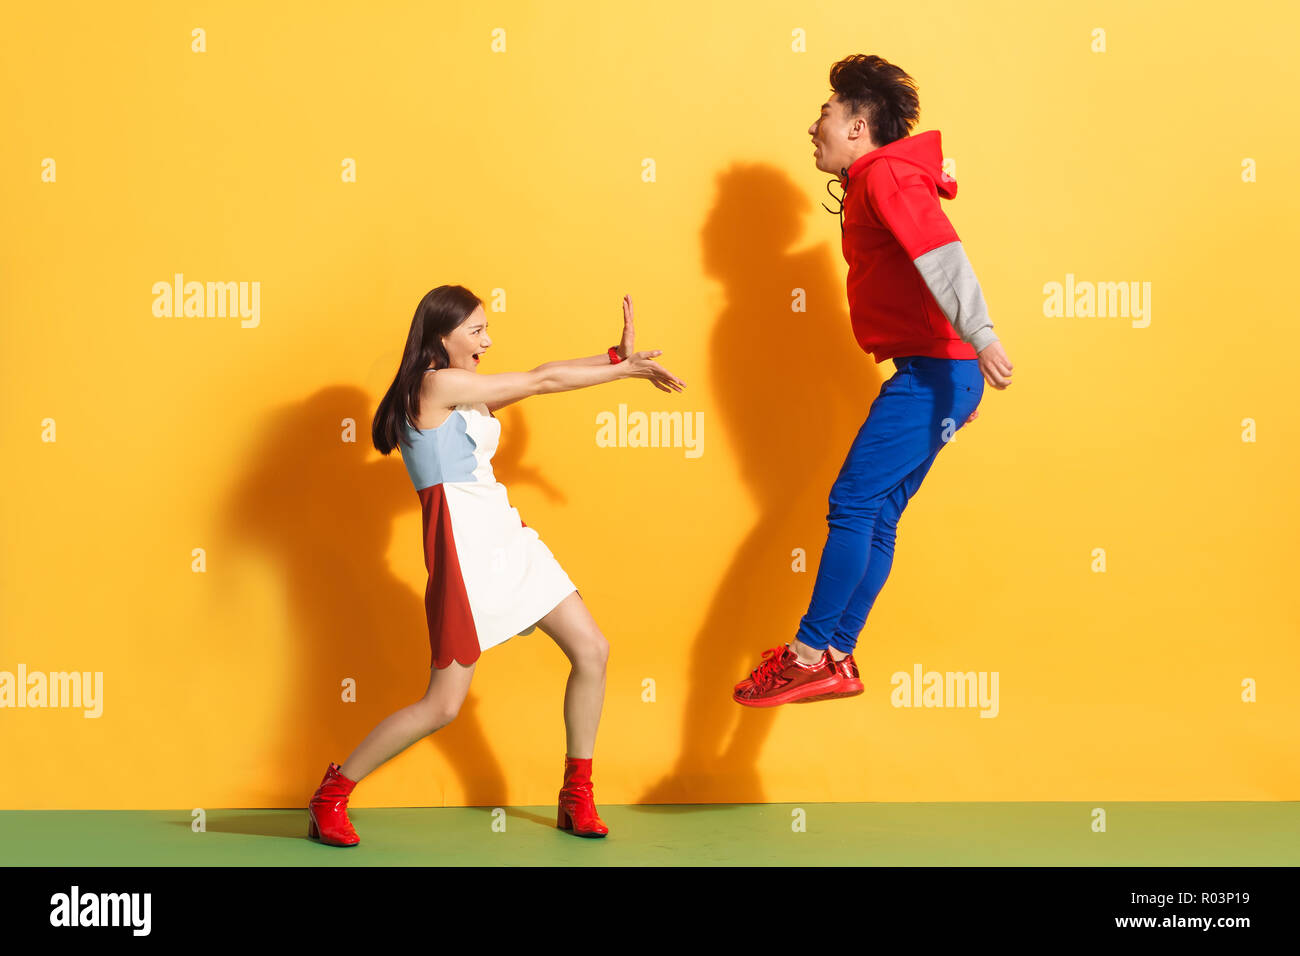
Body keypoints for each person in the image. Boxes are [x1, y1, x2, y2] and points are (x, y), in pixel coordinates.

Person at [308, 285, 685, 843]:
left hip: (510, 538)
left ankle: (575, 795)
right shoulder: (435, 385)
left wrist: (611, 357)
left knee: (592, 650)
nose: (488, 340)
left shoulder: (466, 392)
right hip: (466, 553)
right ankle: (330, 795)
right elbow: (541, 381)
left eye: (486, 328)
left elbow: (540, 372)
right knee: (443, 706)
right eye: (476, 331)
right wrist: (623, 375)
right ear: (442, 338)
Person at [734, 54, 1015, 706]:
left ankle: (808, 654)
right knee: (878, 513)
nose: (814, 127)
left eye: (825, 114)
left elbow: (941, 252)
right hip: (940, 370)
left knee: (854, 504)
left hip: (940, 366)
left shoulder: (885, 174)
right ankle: (836, 655)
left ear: (858, 126)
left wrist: (979, 339)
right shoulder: (881, 178)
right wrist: (962, 374)